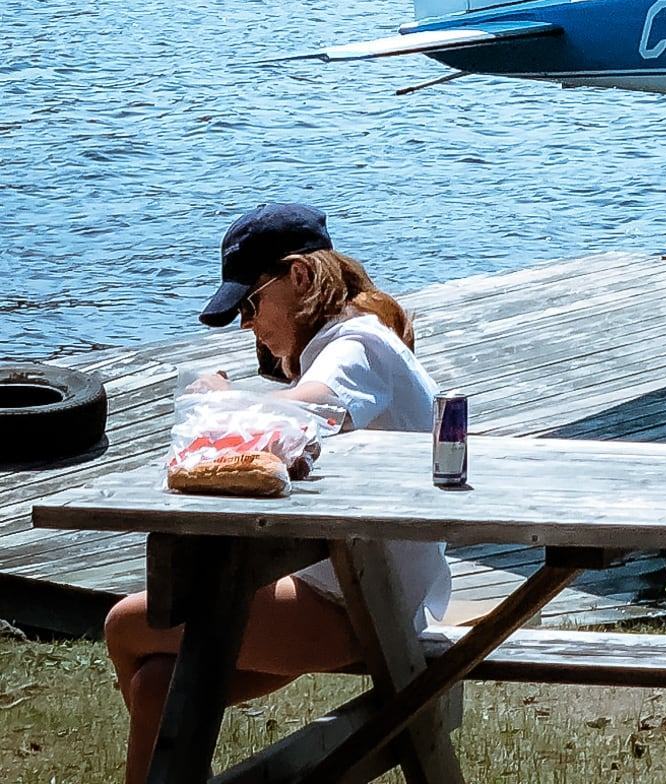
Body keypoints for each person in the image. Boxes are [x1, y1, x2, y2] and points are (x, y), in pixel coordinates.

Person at [103, 204, 451, 784]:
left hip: (365, 605)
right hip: (354, 585)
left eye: (249, 303)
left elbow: (316, 406)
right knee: (158, 683)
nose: (246, 324)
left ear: (301, 277)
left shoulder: (358, 345)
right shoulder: (358, 339)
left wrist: (219, 398)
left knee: (125, 625)